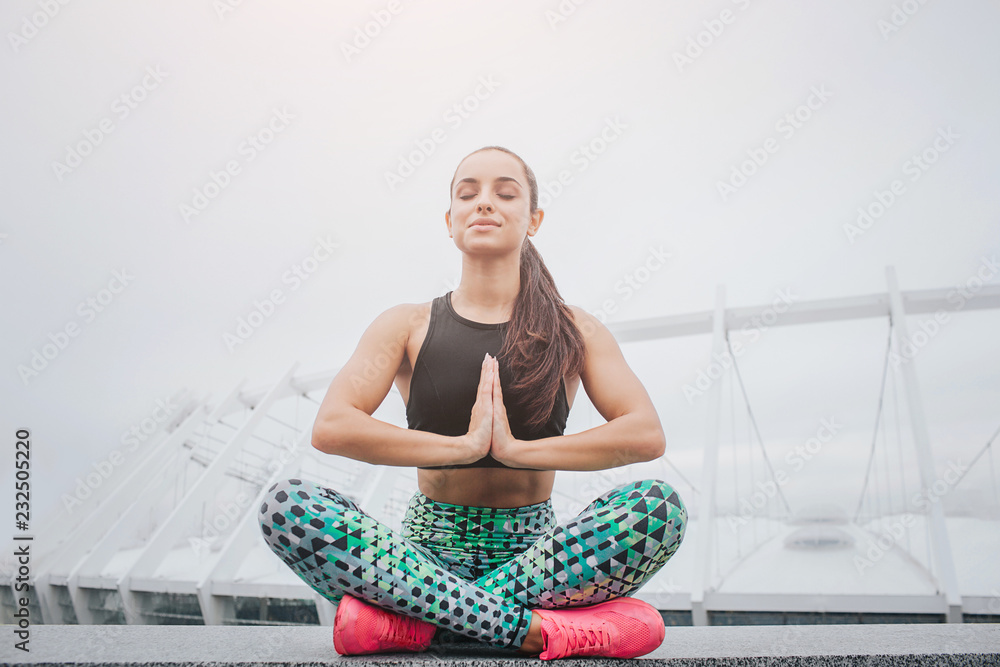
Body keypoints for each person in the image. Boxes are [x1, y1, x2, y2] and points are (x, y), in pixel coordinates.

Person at [257, 146, 687, 660]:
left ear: (533, 220)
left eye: (505, 193)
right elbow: (332, 427)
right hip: (417, 558)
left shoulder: (575, 330)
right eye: (468, 194)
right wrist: (461, 447)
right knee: (285, 504)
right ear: (450, 221)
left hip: (540, 559)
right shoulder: (406, 324)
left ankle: (422, 623)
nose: (484, 203)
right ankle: (533, 631)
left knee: (660, 507)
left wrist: (515, 451)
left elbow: (644, 433)